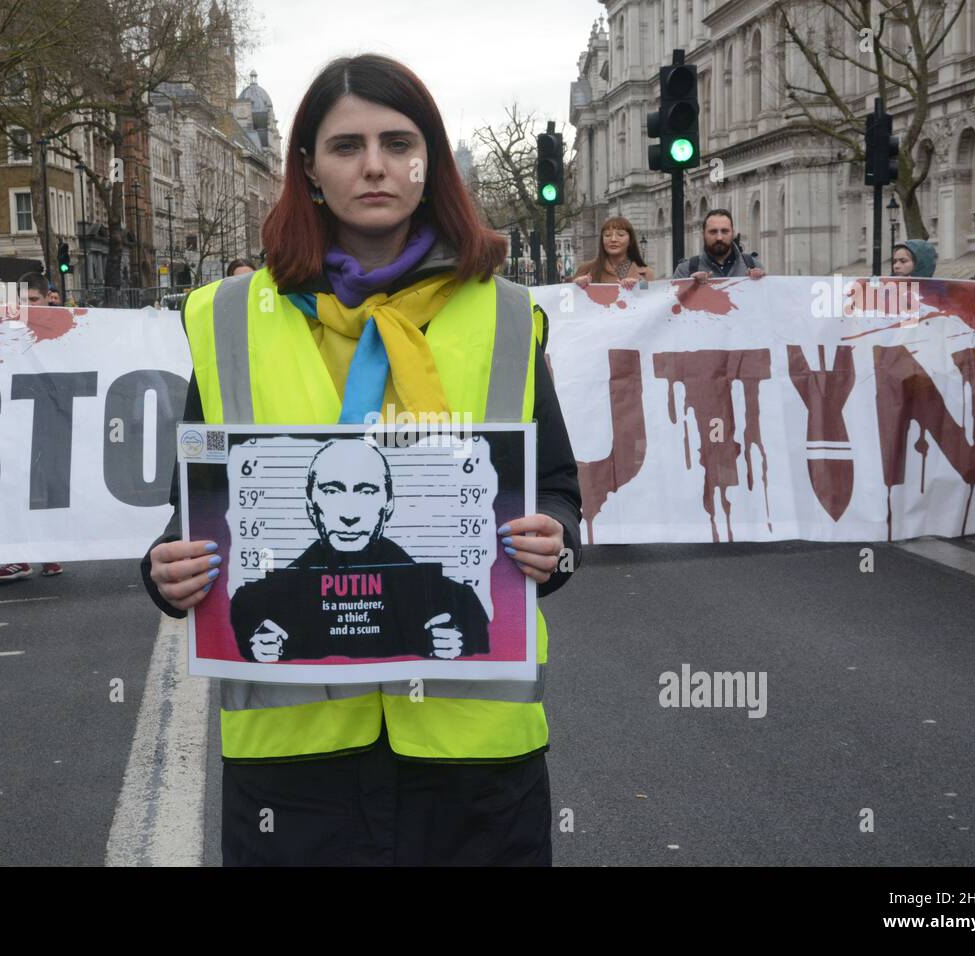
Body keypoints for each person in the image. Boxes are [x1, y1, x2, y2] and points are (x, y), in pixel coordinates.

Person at [143, 53, 582, 867]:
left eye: (397, 141)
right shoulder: (233, 315)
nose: (374, 164)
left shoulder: (509, 314)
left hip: (473, 751)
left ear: (430, 162)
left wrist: (554, 536)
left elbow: (555, 485)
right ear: (308, 167)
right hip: (294, 759)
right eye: (346, 146)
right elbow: (194, 511)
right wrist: (166, 572)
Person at [229, 439, 488, 662]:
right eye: (332, 491)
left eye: (366, 491)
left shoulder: (457, 605)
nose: (349, 514)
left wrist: (464, 649)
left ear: (389, 504)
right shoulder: (254, 607)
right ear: (310, 506)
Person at [0, 272, 64, 585]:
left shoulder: (69, 326)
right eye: (21, 301)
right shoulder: (9, 330)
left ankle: (45, 552)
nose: (27, 307)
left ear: (49, 298)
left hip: (53, 420)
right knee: (17, 485)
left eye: (32, 300)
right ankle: (23, 556)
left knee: (45, 487)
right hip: (19, 419)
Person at [672, 208, 766, 281]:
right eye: (713, 232)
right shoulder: (685, 271)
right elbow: (673, 304)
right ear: (703, 234)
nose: (719, 237)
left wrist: (760, 282)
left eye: (725, 231)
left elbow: (766, 302)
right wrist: (688, 286)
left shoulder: (753, 265)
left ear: (732, 233)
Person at [573, 217, 653, 289]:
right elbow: (569, 299)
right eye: (607, 235)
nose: (613, 239)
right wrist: (576, 285)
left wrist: (638, 286)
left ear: (630, 240)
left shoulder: (645, 273)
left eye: (620, 235)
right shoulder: (586, 270)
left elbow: (652, 298)